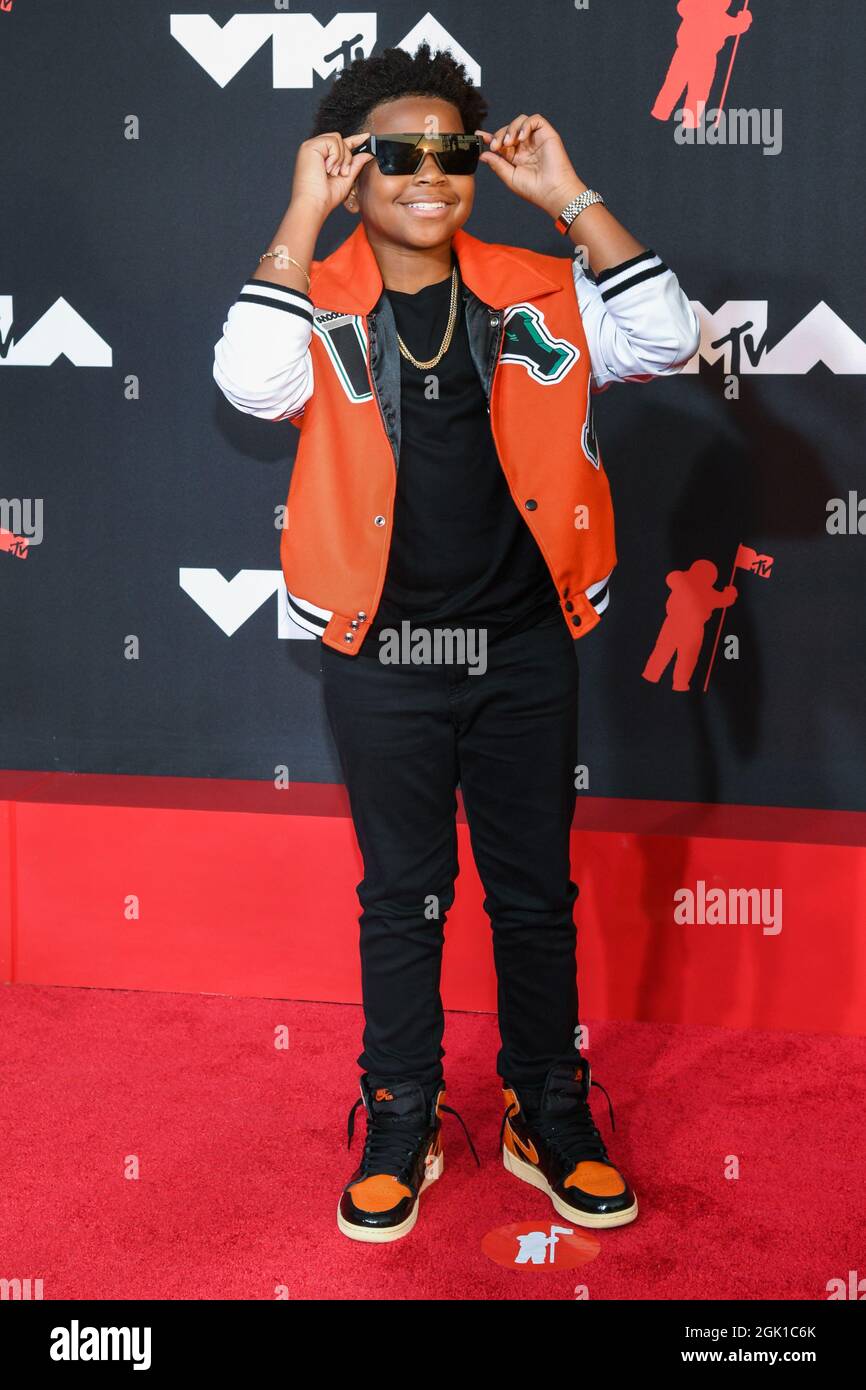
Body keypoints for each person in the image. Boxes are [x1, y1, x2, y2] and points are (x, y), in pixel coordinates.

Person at [213, 42, 700, 1244]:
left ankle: (546, 1108)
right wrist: (298, 210)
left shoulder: (539, 283)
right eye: (396, 154)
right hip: (381, 653)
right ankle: (401, 1112)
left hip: (523, 645)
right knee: (402, 895)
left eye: (449, 152)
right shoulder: (314, 294)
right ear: (352, 164)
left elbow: (668, 336)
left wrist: (569, 196)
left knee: (533, 896)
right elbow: (246, 379)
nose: (428, 173)